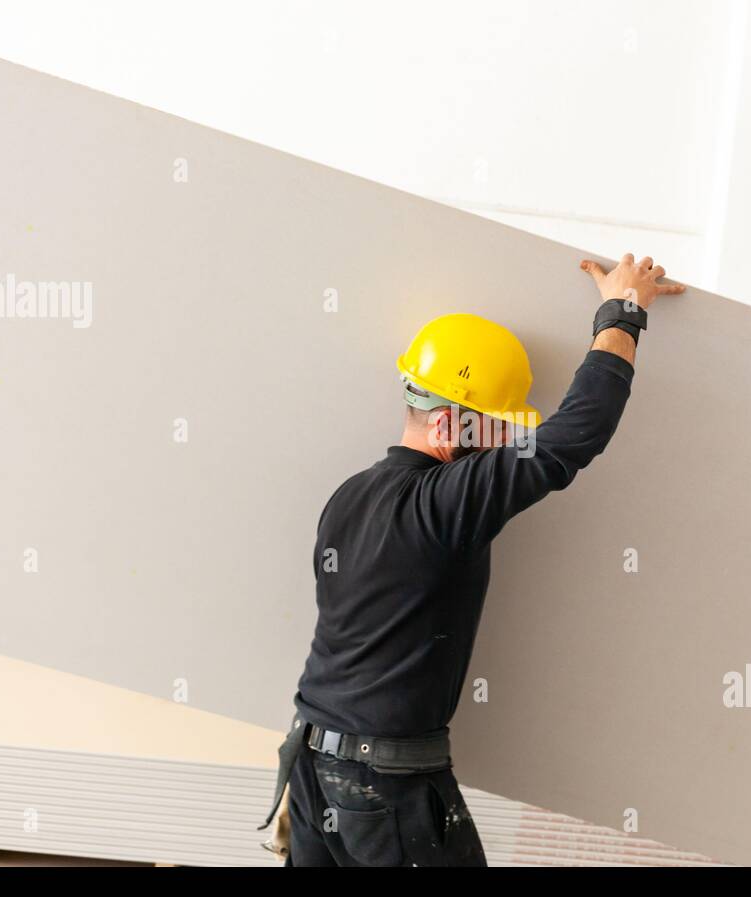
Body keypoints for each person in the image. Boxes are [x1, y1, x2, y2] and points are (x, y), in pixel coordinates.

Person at [264, 253, 684, 865]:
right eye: (491, 431)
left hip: (309, 766)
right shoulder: (444, 503)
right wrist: (623, 310)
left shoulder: (348, 496)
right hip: (381, 786)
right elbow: (577, 431)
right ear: (447, 425)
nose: (503, 446)